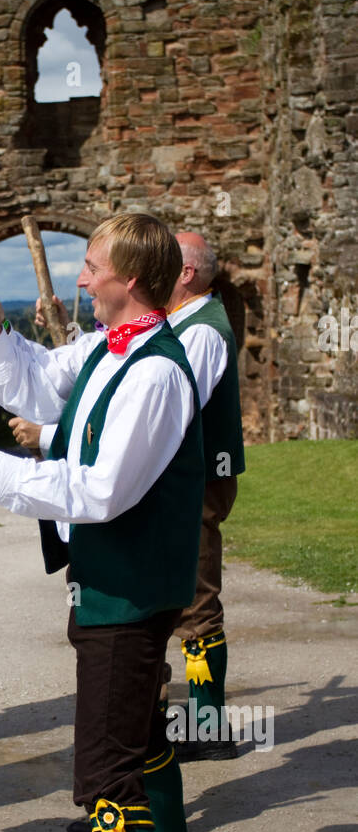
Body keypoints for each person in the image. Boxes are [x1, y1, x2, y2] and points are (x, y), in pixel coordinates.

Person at [0, 213, 205, 832]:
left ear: (132, 279)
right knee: (138, 737)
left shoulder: (155, 374)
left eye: (93, 267)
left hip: (129, 594)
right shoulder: (107, 350)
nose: (82, 279)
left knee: (107, 778)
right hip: (110, 586)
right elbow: (29, 377)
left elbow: (101, 491)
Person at [166, 232, 245, 760]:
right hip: (187, 480)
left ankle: (208, 726)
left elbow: (174, 404)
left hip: (196, 482)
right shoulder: (185, 322)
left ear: (187, 273)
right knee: (184, 597)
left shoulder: (202, 330)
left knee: (196, 602)